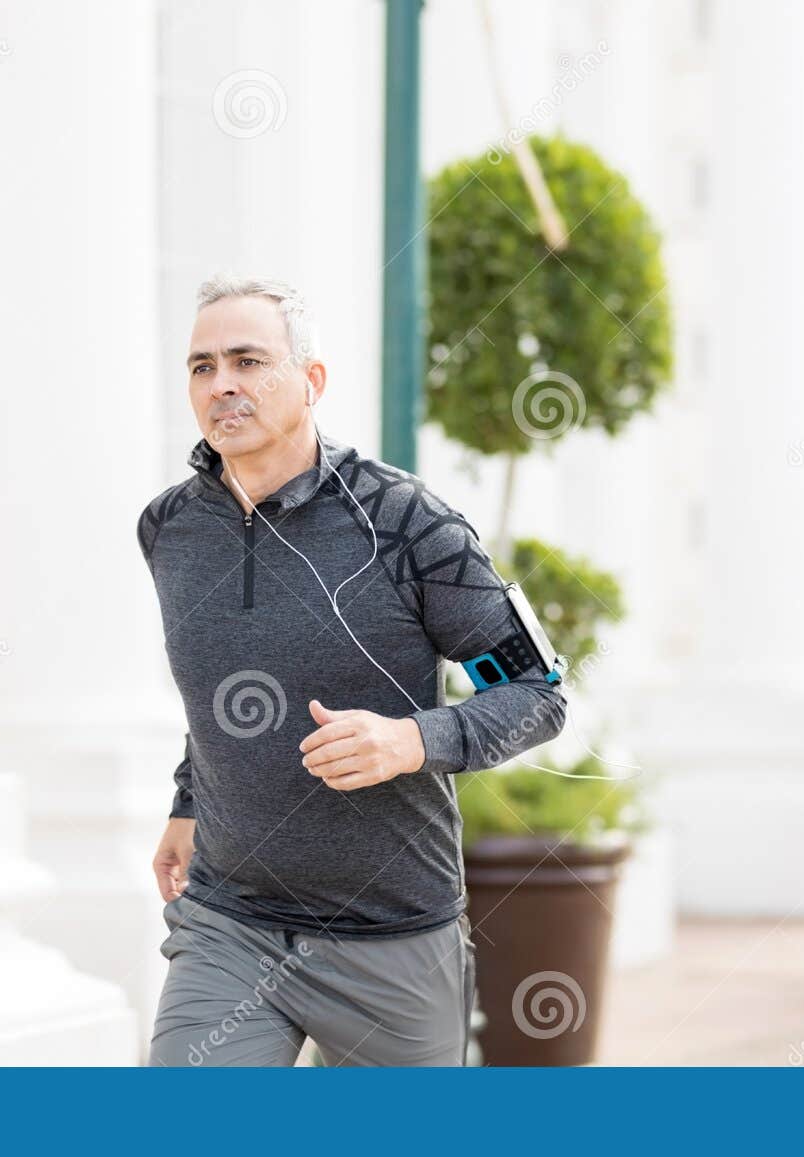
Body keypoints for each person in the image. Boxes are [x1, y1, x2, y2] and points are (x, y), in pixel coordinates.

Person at [137, 274, 567, 1066]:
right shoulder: (169, 528)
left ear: (312, 380)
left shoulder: (411, 525)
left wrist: (412, 739)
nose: (223, 383)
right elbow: (221, 693)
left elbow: (537, 694)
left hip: (393, 936)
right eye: (202, 366)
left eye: (248, 360)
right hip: (231, 921)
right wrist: (190, 797)